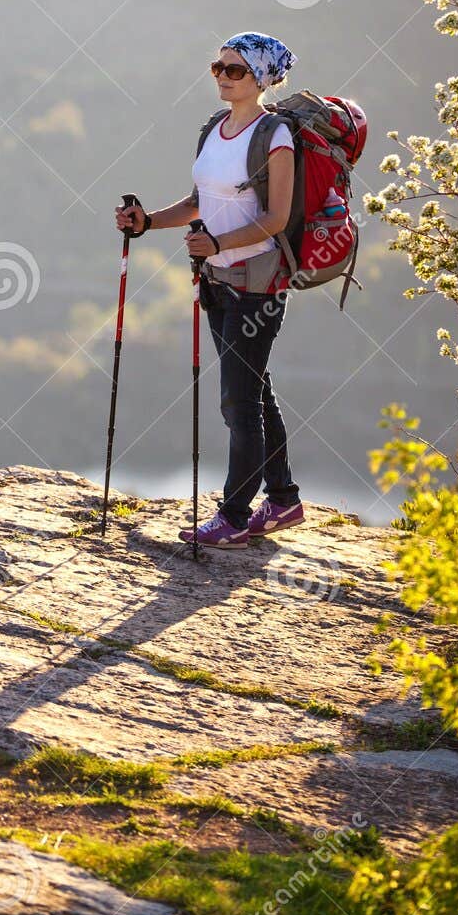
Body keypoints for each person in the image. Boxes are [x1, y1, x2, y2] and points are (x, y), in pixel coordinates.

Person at [114, 31, 305, 549]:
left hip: (258, 288)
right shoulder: (214, 131)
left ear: (261, 77)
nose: (222, 76)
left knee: (237, 404)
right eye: (217, 67)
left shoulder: (276, 137)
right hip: (218, 282)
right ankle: (283, 500)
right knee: (255, 391)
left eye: (235, 70)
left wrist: (218, 241)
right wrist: (146, 221)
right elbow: (199, 201)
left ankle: (236, 515)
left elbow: (275, 218)